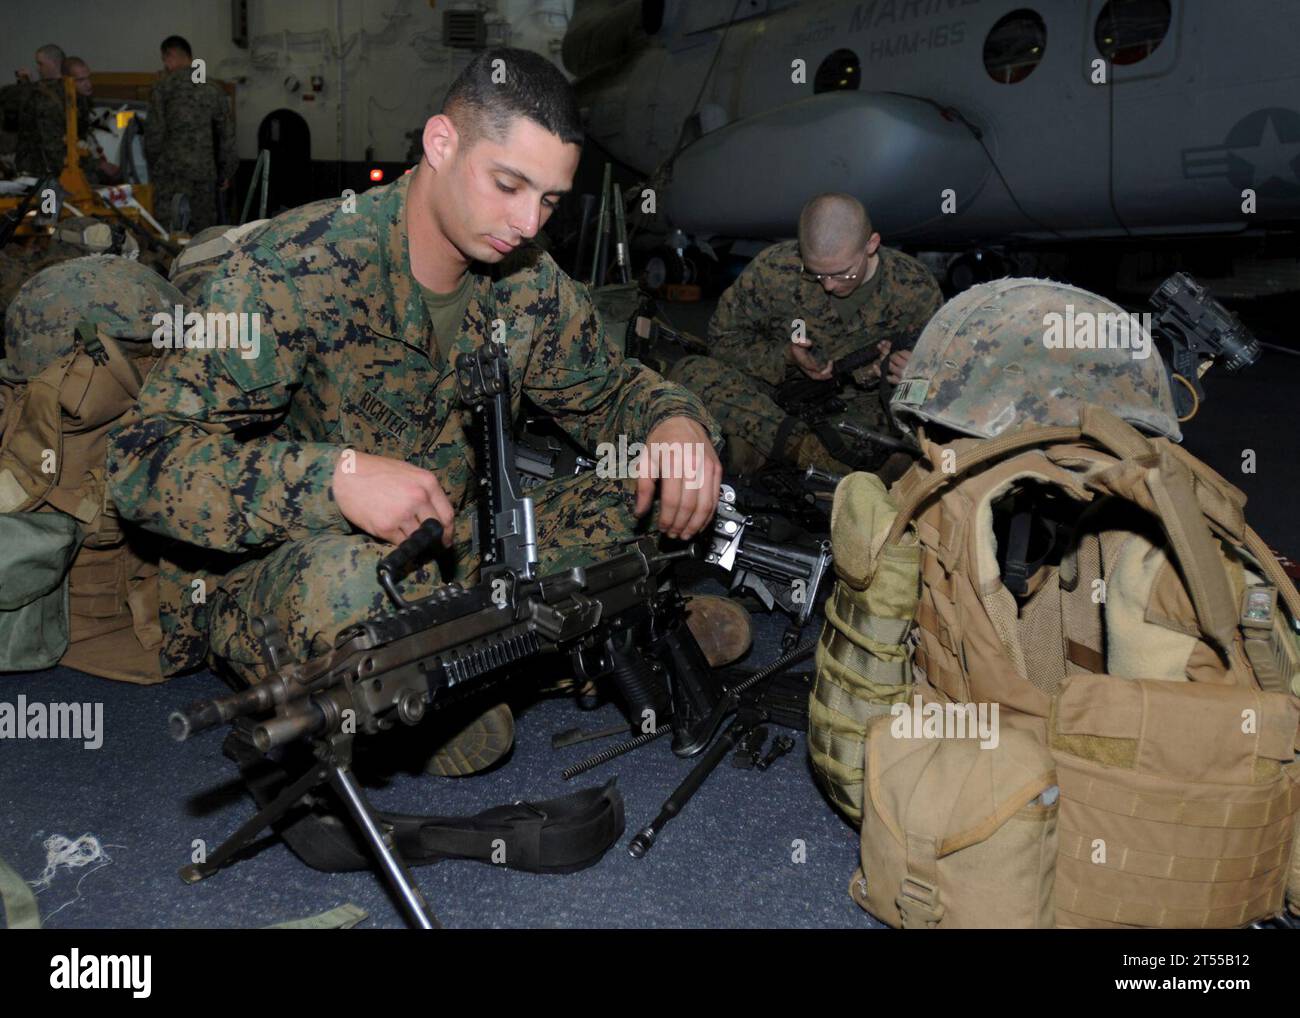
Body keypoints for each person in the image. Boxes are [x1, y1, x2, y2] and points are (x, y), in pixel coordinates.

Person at [109, 48, 726, 773]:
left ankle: (503, 657)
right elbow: (142, 460)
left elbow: (608, 390)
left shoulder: (525, 280)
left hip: (454, 546)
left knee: (641, 492)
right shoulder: (294, 270)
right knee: (355, 588)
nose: (528, 223)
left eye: (551, 201)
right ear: (440, 143)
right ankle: (510, 663)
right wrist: (333, 479)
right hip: (298, 563)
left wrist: (672, 420)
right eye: (507, 185)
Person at [669, 193, 942, 475]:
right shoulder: (775, 270)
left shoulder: (915, 287)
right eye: (817, 274)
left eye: (842, 274)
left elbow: (949, 371)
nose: (829, 286)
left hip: (860, 410)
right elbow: (723, 340)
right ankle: (809, 455)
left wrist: (913, 372)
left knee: (905, 437)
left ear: (871, 245)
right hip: (778, 395)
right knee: (690, 372)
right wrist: (785, 357)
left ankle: (764, 449)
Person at [144, 35, 238, 233]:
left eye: (165, 59)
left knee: (170, 233)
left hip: (171, 176)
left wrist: (154, 168)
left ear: (170, 56)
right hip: (204, 176)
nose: (165, 65)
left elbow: (154, 136)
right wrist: (226, 172)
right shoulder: (213, 88)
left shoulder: (162, 88)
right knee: (204, 234)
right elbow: (227, 135)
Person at [1, 43, 69, 178]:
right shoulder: (65, 89)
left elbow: (9, 97)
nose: (38, 68)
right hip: (50, 160)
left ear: (52, 63)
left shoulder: (51, 91)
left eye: (40, 64)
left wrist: (27, 85)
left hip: (41, 162)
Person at [61, 56, 119, 183]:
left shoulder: (82, 102)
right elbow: (63, 150)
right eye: (81, 80)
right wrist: (99, 165)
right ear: (67, 81)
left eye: (88, 78)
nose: (88, 84)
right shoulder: (62, 108)